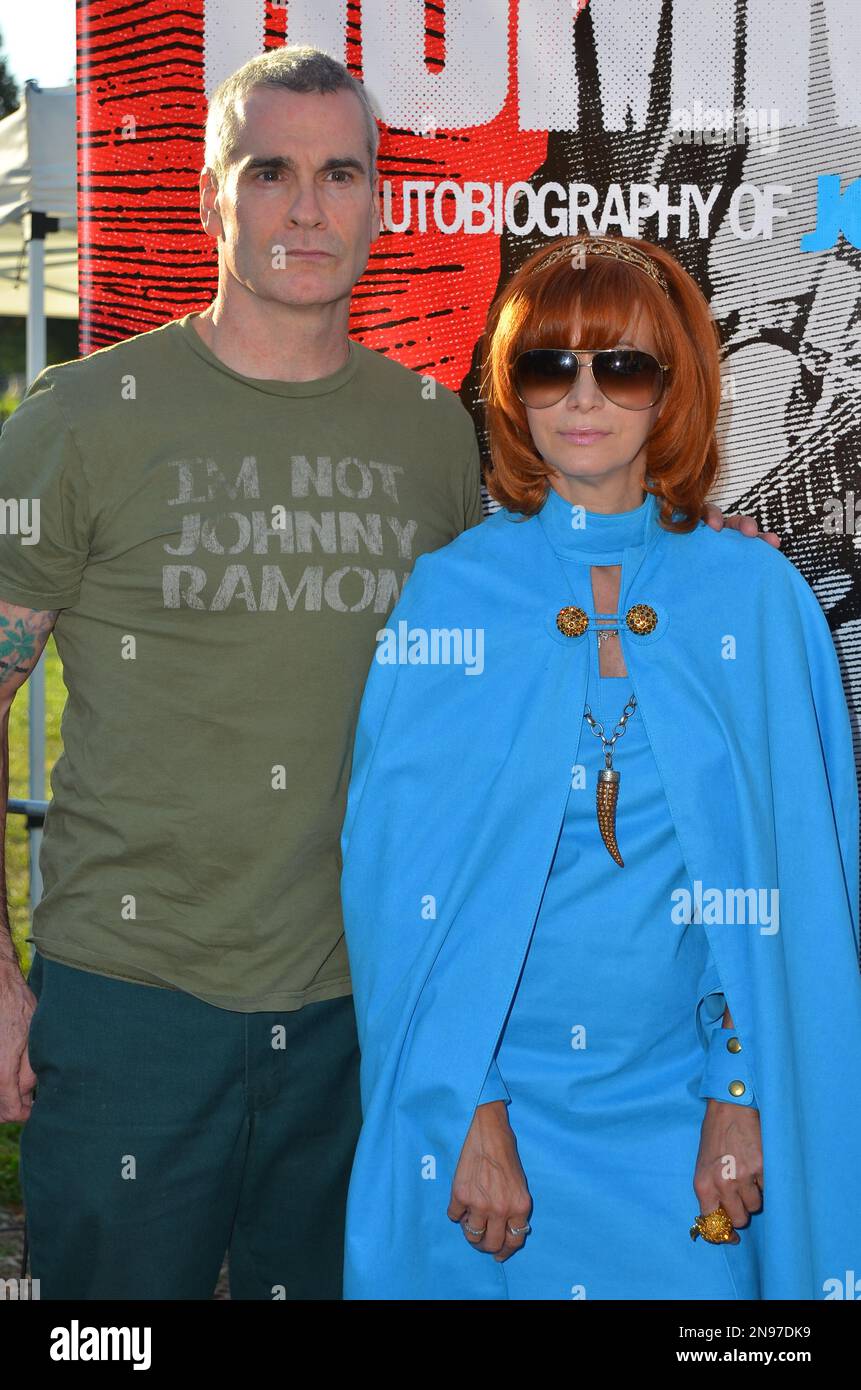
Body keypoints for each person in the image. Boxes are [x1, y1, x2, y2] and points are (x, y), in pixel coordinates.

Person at [0, 48, 773, 1299]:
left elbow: (554, 583)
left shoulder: (432, 432)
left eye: (340, 172)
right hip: (139, 1001)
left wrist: (699, 553)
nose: (307, 207)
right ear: (212, 195)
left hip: (367, 1019)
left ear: (378, 200)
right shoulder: (83, 419)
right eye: (271, 172)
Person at [339, 233, 861, 1300]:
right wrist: (467, 1104)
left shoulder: (756, 603)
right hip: (490, 1106)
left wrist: (741, 1085)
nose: (582, 395)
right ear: (511, 390)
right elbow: (393, 890)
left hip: (688, 1113)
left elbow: (789, 888)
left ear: (672, 388)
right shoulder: (453, 600)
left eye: (620, 365)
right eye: (548, 365)